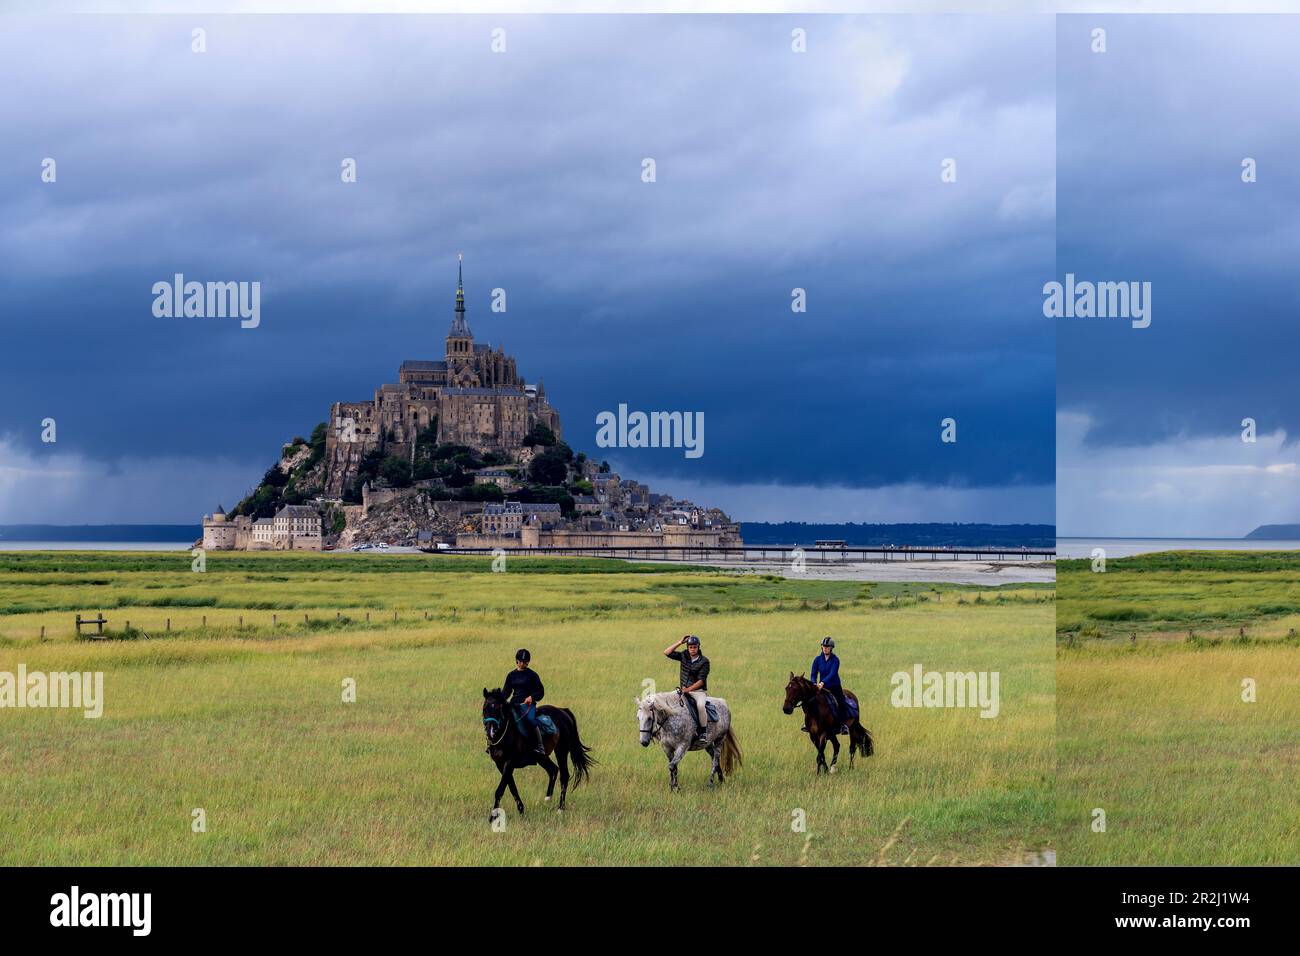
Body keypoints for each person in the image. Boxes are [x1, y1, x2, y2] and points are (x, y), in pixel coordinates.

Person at [663, 635, 710, 742]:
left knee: (701, 706)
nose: (692, 649)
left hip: (698, 692)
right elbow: (667, 652)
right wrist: (680, 642)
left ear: (698, 647)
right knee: (668, 702)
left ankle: (703, 732)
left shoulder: (704, 661)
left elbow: (701, 681)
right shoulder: (684, 655)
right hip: (682, 691)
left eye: (694, 647)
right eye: (690, 647)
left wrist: (688, 690)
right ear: (688, 647)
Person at [503, 648, 546, 756]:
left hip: (528, 704)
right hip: (514, 704)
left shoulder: (532, 675)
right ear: (517, 661)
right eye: (520, 661)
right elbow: (506, 692)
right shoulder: (511, 675)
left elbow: (540, 691)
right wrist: (500, 700)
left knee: (531, 720)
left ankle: (540, 746)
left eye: (525, 662)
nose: (522, 664)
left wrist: (532, 697)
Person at [810, 636, 849, 735]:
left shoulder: (836, 660)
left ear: (831, 648)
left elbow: (833, 673)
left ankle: (843, 725)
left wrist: (822, 682)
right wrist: (814, 682)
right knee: (811, 701)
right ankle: (808, 723)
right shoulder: (817, 660)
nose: (825, 648)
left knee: (841, 702)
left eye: (827, 647)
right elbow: (813, 673)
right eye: (823, 646)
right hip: (821, 687)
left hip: (834, 686)